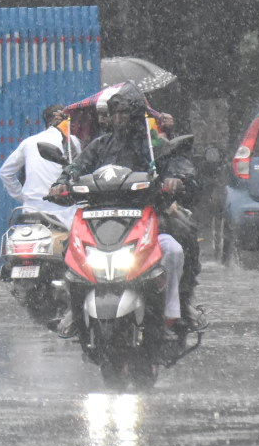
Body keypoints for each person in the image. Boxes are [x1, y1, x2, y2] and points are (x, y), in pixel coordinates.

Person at [48, 82, 200, 334]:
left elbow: (178, 167)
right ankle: (74, 311)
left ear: (138, 114)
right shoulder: (100, 145)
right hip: (100, 222)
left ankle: (178, 308)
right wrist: (62, 183)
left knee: (178, 243)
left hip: (148, 217)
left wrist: (177, 179)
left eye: (124, 112)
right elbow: (76, 168)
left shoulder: (154, 146)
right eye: (114, 112)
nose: (118, 118)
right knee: (68, 247)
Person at [0, 103, 81, 229]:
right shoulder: (72, 142)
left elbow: (5, 172)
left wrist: (23, 196)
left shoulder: (29, 143)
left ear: (45, 124)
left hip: (31, 211)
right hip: (65, 213)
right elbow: (79, 171)